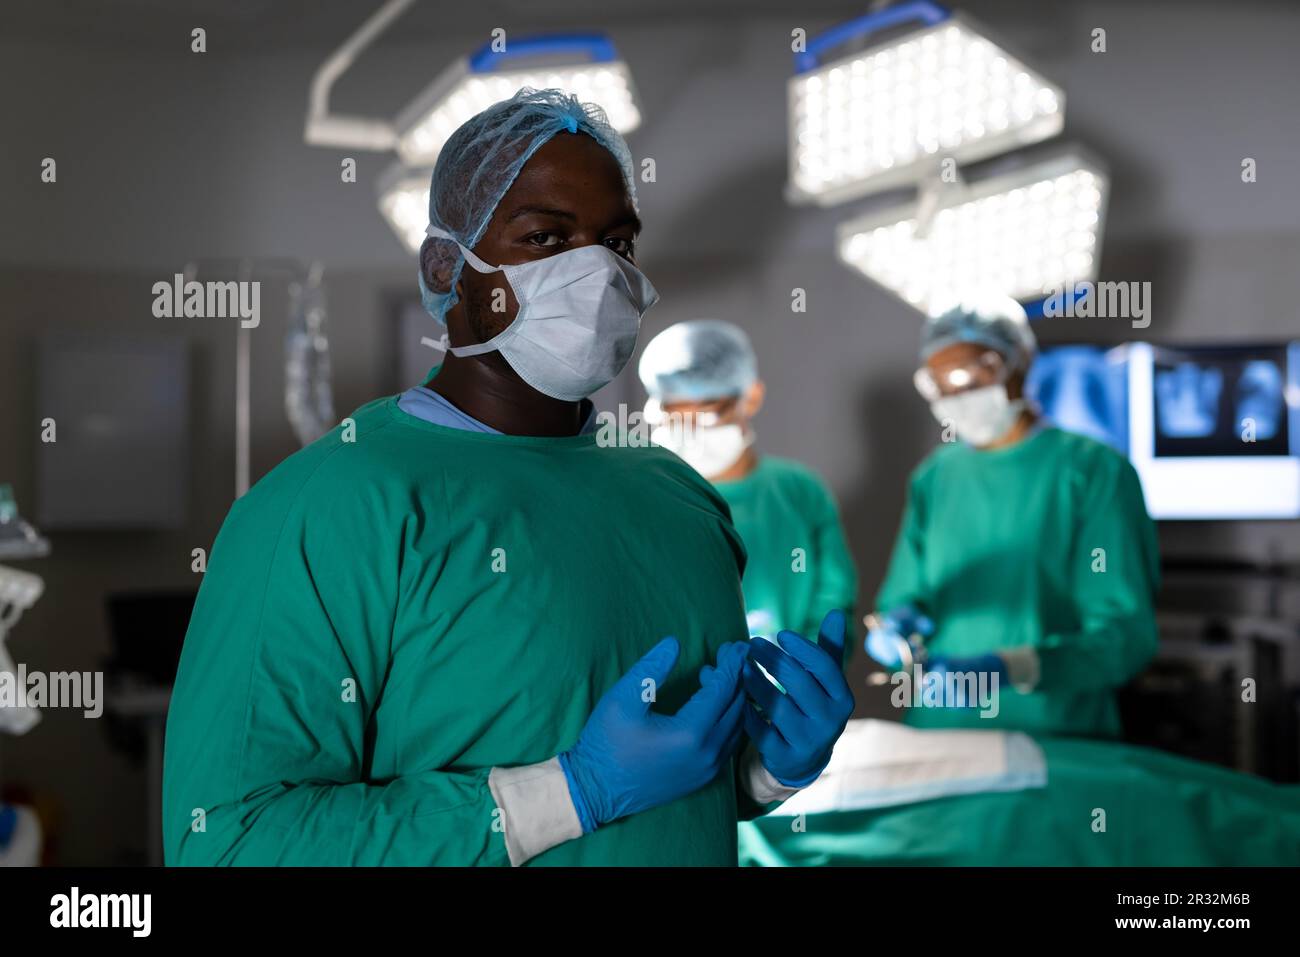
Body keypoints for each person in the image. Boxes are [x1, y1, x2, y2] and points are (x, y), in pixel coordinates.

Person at [162, 89, 852, 867]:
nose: (595, 272)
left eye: (616, 242)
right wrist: (569, 792)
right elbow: (225, 842)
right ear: (445, 266)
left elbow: (667, 791)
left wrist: (763, 772)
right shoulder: (325, 509)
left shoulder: (679, 498)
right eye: (545, 237)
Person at [865, 295, 1159, 737]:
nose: (955, 394)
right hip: (943, 731)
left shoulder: (1093, 471)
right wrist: (898, 625)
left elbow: (1124, 638)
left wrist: (1011, 667)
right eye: (939, 382)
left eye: (968, 374)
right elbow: (905, 596)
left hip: (1056, 734)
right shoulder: (935, 478)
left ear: (1018, 360)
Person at [638, 320, 858, 642]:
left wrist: (801, 675)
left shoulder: (798, 492)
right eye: (673, 417)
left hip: (789, 684)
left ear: (751, 397)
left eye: (707, 413)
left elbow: (833, 602)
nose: (689, 430)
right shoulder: (646, 497)